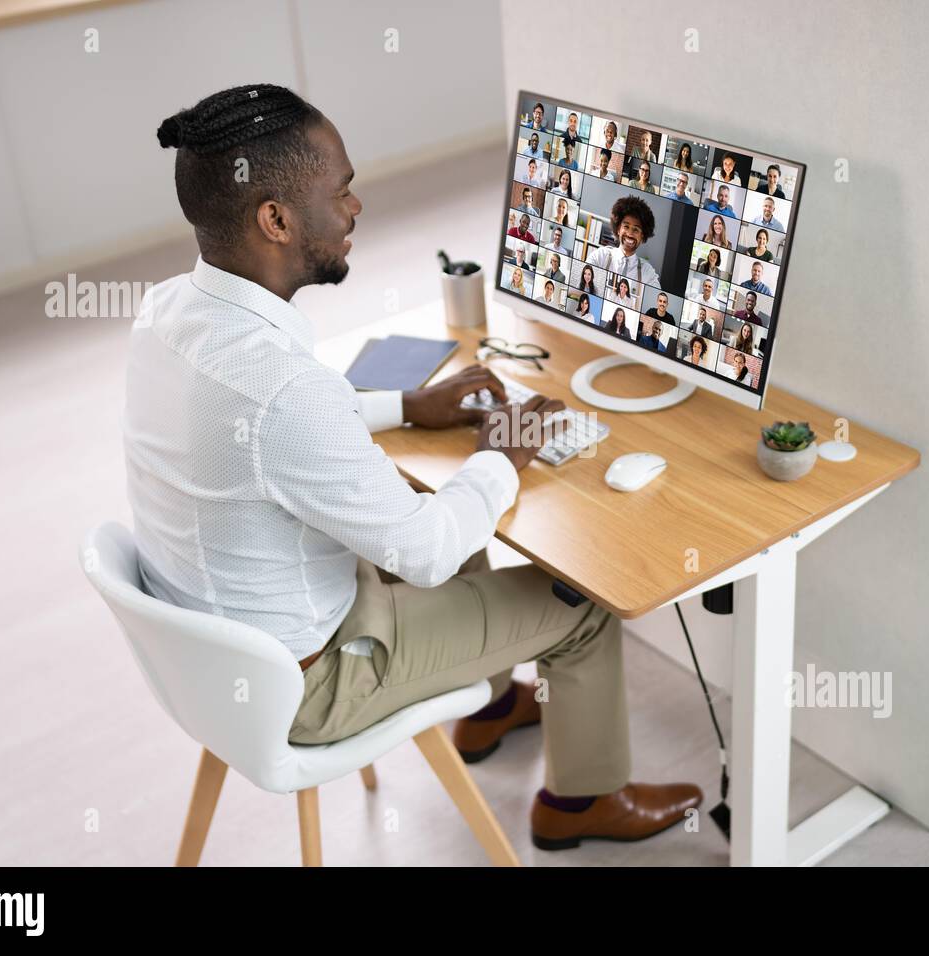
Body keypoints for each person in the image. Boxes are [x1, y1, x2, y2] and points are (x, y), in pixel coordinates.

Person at [139, 85, 699, 848]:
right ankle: (580, 805)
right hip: (313, 683)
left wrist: (405, 408)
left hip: (217, 654)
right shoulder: (283, 389)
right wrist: (500, 455)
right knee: (582, 604)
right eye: (341, 191)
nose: (356, 208)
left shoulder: (169, 312)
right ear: (274, 218)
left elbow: (257, 428)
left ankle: (492, 708)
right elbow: (427, 554)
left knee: (432, 489)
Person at [585, 195, 661, 288]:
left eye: (636, 230)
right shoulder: (600, 256)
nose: (629, 234)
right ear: (618, 229)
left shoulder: (648, 273)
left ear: (642, 236)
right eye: (626, 226)